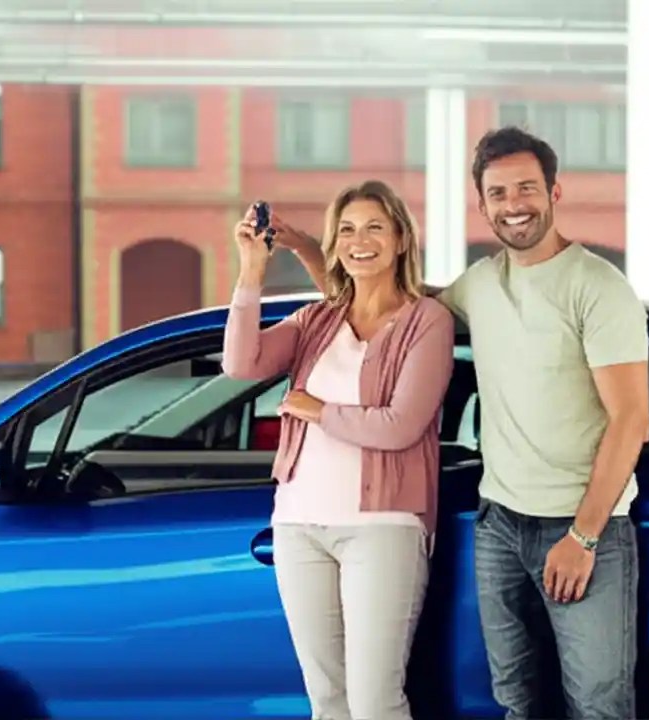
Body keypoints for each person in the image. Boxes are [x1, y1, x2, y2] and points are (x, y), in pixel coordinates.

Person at [269, 126, 649, 720]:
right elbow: (381, 303)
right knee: (517, 701)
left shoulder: (597, 287)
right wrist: (306, 248)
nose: (514, 204)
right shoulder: (482, 284)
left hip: (583, 527)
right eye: (498, 193)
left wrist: (582, 537)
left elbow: (632, 421)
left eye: (526, 188)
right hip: (499, 523)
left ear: (555, 191)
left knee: (598, 705)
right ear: (483, 205)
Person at [222, 179, 454, 720]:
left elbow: (400, 426)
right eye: (347, 229)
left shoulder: (427, 321)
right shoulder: (318, 319)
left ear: (400, 239)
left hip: (382, 527)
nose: (360, 240)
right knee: (329, 702)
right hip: (299, 526)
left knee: (375, 703)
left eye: (375, 227)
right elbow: (240, 364)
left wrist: (316, 409)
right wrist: (252, 269)